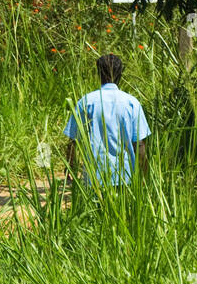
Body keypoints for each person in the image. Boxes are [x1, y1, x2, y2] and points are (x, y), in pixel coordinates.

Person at [64, 53, 150, 188]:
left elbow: (73, 141)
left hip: (94, 178)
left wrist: (70, 167)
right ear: (121, 74)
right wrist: (144, 176)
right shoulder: (132, 103)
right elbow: (139, 145)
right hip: (126, 177)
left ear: (98, 74)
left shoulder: (86, 102)